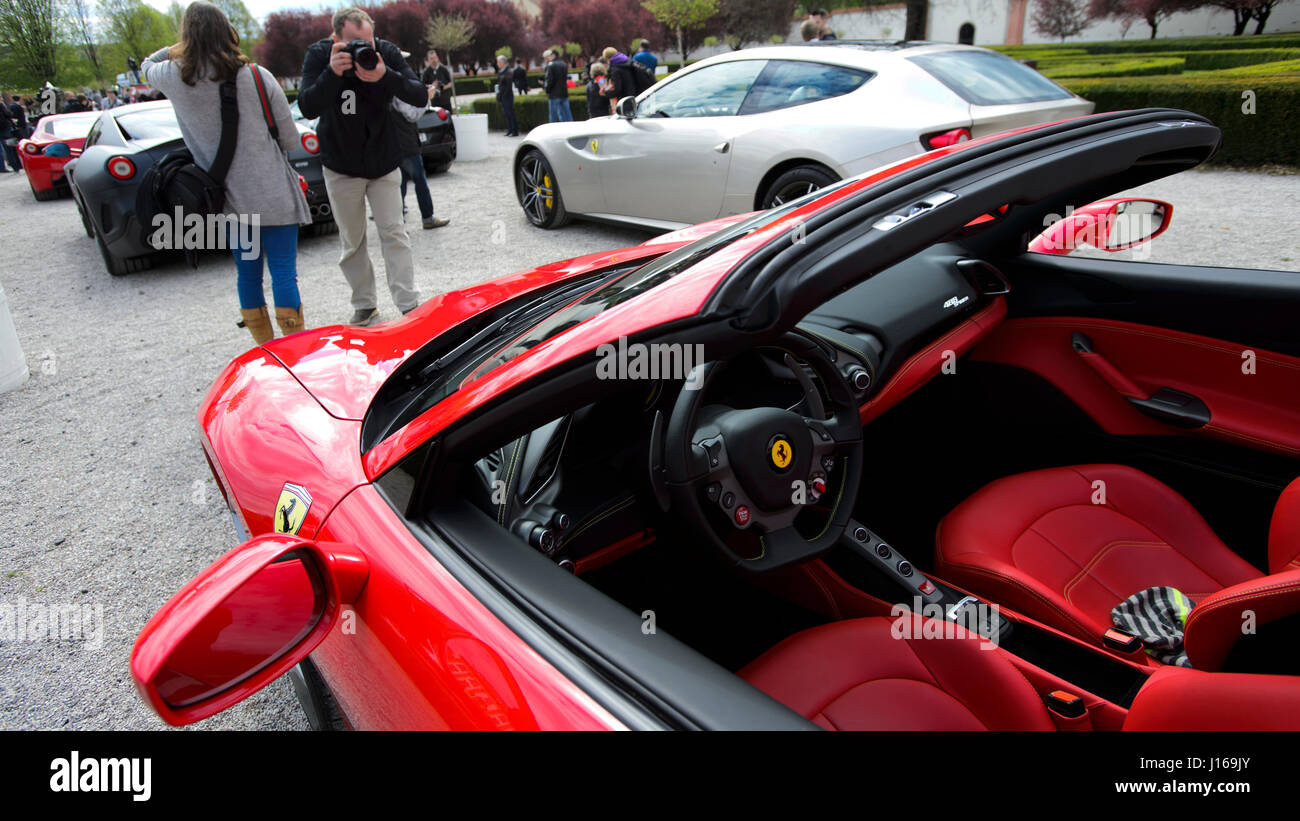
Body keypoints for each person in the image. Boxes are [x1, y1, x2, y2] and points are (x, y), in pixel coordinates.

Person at [142, 1, 311, 345]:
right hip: (273, 193)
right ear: (228, 32)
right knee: (283, 272)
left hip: (229, 201)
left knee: (248, 275)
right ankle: (293, 345)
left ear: (187, 37)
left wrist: (180, 48)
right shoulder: (256, 76)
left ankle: (265, 349)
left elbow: (147, 65)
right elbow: (291, 138)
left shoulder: (174, 77)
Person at [298, 6, 428, 326]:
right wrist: (332, 72)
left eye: (368, 41)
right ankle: (364, 303)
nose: (363, 50)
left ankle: (408, 303)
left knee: (394, 232)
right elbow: (307, 104)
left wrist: (387, 75)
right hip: (341, 165)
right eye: (355, 43)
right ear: (335, 38)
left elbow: (419, 94)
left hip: (383, 161)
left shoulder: (384, 53)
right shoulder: (319, 55)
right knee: (352, 239)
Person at [393, 95, 449, 231]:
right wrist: (425, 100)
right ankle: (427, 218)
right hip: (406, 144)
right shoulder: (398, 88)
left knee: (400, 184)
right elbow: (411, 115)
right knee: (420, 182)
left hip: (396, 144)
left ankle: (398, 222)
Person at [542, 48, 572, 123]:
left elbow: (549, 80)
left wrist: (546, 89)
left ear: (553, 55)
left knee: (553, 116)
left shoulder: (551, 65)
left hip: (554, 94)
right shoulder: (564, 64)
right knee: (566, 115)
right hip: (564, 93)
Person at [602, 46, 636, 111]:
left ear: (608, 58)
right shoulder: (626, 62)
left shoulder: (616, 69)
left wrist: (606, 93)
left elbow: (617, 89)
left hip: (625, 100)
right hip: (634, 96)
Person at [495, 54, 518, 136]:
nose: (497, 64)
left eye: (498, 62)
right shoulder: (501, 72)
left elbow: (508, 86)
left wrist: (504, 95)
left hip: (507, 96)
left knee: (510, 113)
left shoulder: (508, 72)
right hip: (503, 96)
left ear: (502, 62)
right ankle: (510, 130)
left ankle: (514, 131)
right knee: (506, 114)